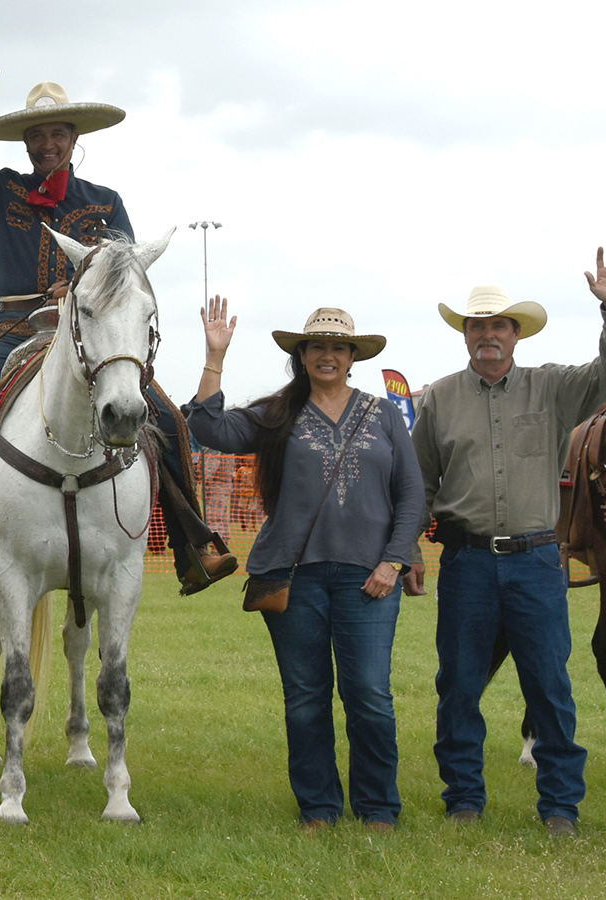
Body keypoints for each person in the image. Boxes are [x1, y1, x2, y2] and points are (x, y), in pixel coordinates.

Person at [0, 47, 235, 604]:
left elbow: (122, 271)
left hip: (94, 336)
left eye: (57, 133)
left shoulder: (106, 201)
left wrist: (81, 288)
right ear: (26, 143)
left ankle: (193, 544)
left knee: (171, 422)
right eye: (37, 135)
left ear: (75, 139)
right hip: (16, 326)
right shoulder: (0, 189)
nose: (47, 143)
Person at [408, 249, 606, 837]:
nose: (488, 336)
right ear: (465, 336)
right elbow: (419, 481)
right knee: (458, 683)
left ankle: (560, 805)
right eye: (477, 326)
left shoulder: (554, 389)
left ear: (516, 335)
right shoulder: (437, 399)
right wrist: (407, 544)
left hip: (536, 559)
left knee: (550, 684)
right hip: (465, 561)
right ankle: (463, 798)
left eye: (498, 326)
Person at [185, 303, 424, 832]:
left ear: (353, 357)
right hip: (294, 577)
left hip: (370, 579)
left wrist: (394, 559)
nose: (328, 355)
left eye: (339, 347)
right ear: (302, 355)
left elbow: (412, 496)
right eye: (317, 346)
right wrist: (215, 357)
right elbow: (207, 428)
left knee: (369, 694)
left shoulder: (383, 414)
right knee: (306, 698)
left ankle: (378, 808)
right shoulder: (278, 413)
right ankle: (318, 807)